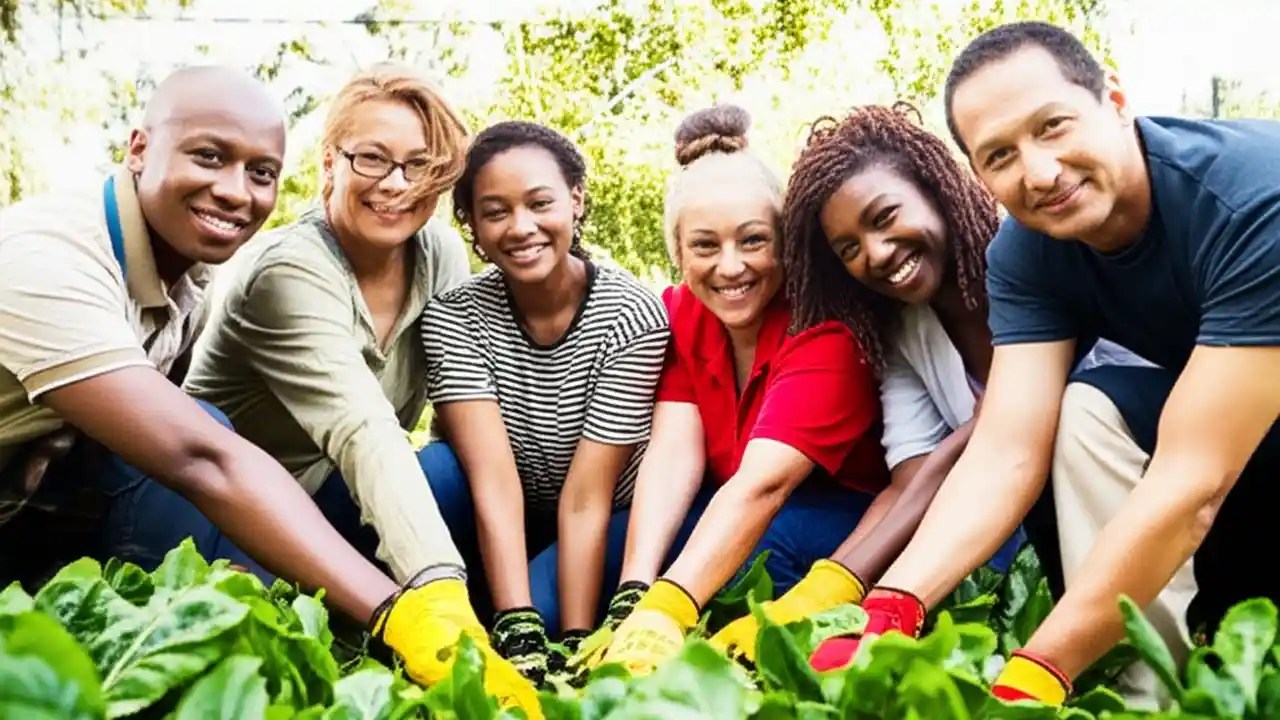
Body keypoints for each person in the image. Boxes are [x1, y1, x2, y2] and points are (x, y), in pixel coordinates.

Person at [0, 65, 539, 714]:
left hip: (187, 495)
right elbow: (203, 457)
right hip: (216, 499)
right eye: (208, 156)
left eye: (259, 173)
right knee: (203, 428)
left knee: (450, 471)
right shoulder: (49, 260)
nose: (234, 191)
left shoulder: (187, 270)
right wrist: (412, 608)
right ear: (139, 148)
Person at [805, 19, 1280, 710]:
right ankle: (1147, 688)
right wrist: (892, 605)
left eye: (1053, 126)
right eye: (1000, 155)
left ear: (1113, 98)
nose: (1040, 172)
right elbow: (1005, 451)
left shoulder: (1250, 201)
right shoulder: (1027, 253)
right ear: (976, 173)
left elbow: (1195, 479)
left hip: (1240, 460)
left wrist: (1039, 666)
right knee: (1085, 408)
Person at [708, 103, 1151, 663]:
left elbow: (1016, 428)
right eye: (848, 248)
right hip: (984, 520)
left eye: (885, 216)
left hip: (1112, 494)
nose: (876, 251)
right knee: (791, 545)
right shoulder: (904, 329)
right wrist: (830, 590)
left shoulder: (1036, 258)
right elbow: (913, 481)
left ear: (937, 192)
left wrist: (861, 586)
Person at [181, 64, 540, 715]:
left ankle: (495, 623)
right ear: (329, 163)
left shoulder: (436, 252)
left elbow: (459, 411)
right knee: (435, 475)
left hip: (343, 501)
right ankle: (411, 622)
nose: (397, 185)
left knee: (460, 464)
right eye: (372, 159)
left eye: (420, 166)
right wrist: (438, 605)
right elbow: (364, 428)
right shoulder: (288, 270)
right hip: (243, 521)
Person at [590, 104, 890, 677]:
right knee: (579, 574)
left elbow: (764, 486)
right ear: (677, 253)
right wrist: (636, 586)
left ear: (785, 242)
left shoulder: (823, 324)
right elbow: (674, 452)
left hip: (830, 514)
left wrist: (667, 606)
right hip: (727, 502)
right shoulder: (681, 312)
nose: (731, 267)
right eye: (705, 246)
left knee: (761, 556)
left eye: (753, 241)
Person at [419, 120, 671, 685]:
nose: (521, 227)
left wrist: (577, 640)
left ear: (576, 201)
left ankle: (554, 613)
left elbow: (588, 497)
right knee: (433, 470)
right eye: (496, 211)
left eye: (540, 203)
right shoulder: (454, 317)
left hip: (602, 516)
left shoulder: (631, 314)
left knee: (558, 621)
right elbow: (493, 481)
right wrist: (516, 624)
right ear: (473, 226)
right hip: (506, 508)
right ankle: (490, 604)